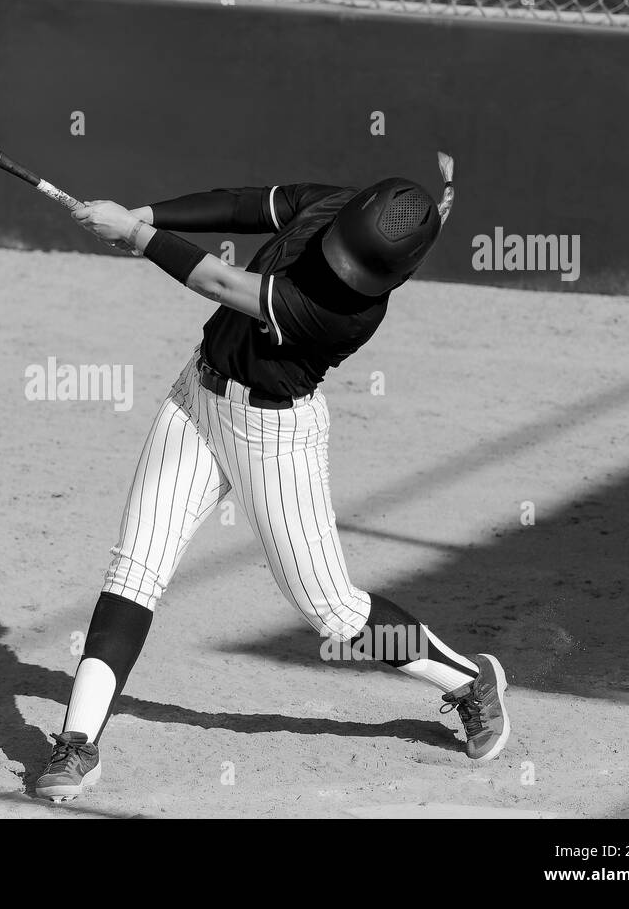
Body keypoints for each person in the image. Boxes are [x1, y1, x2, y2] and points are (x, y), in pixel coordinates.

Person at [34, 155, 510, 802]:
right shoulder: (332, 204)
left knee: (332, 610)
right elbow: (244, 205)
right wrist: (148, 213)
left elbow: (225, 284)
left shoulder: (349, 311)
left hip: (274, 436)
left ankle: (466, 679)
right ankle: (78, 742)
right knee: (134, 569)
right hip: (195, 399)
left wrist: (135, 236)